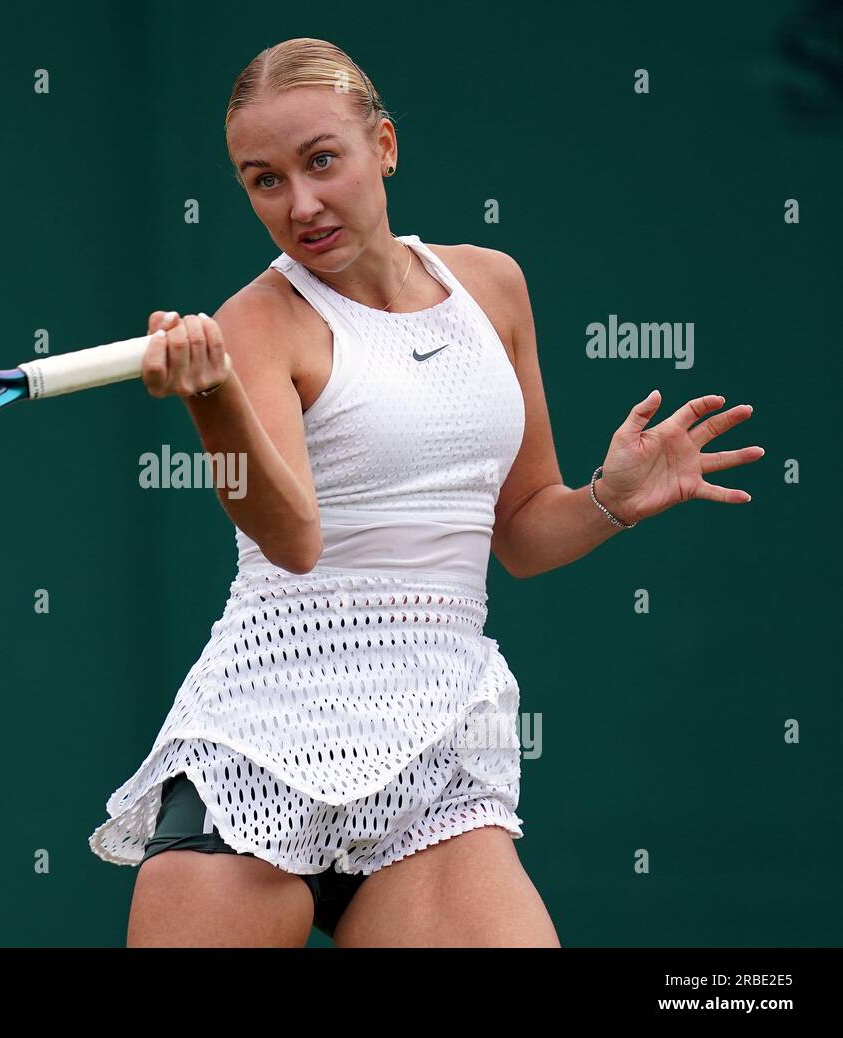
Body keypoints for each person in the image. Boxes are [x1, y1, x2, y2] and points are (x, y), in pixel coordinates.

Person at [88, 37, 762, 948]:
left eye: (321, 160)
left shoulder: (492, 286)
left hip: (434, 757)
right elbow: (289, 540)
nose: (302, 203)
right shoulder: (259, 322)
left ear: (386, 146)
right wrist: (213, 401)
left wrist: (610, 498)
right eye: (265, 180)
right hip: (263, 750)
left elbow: (521, 534)